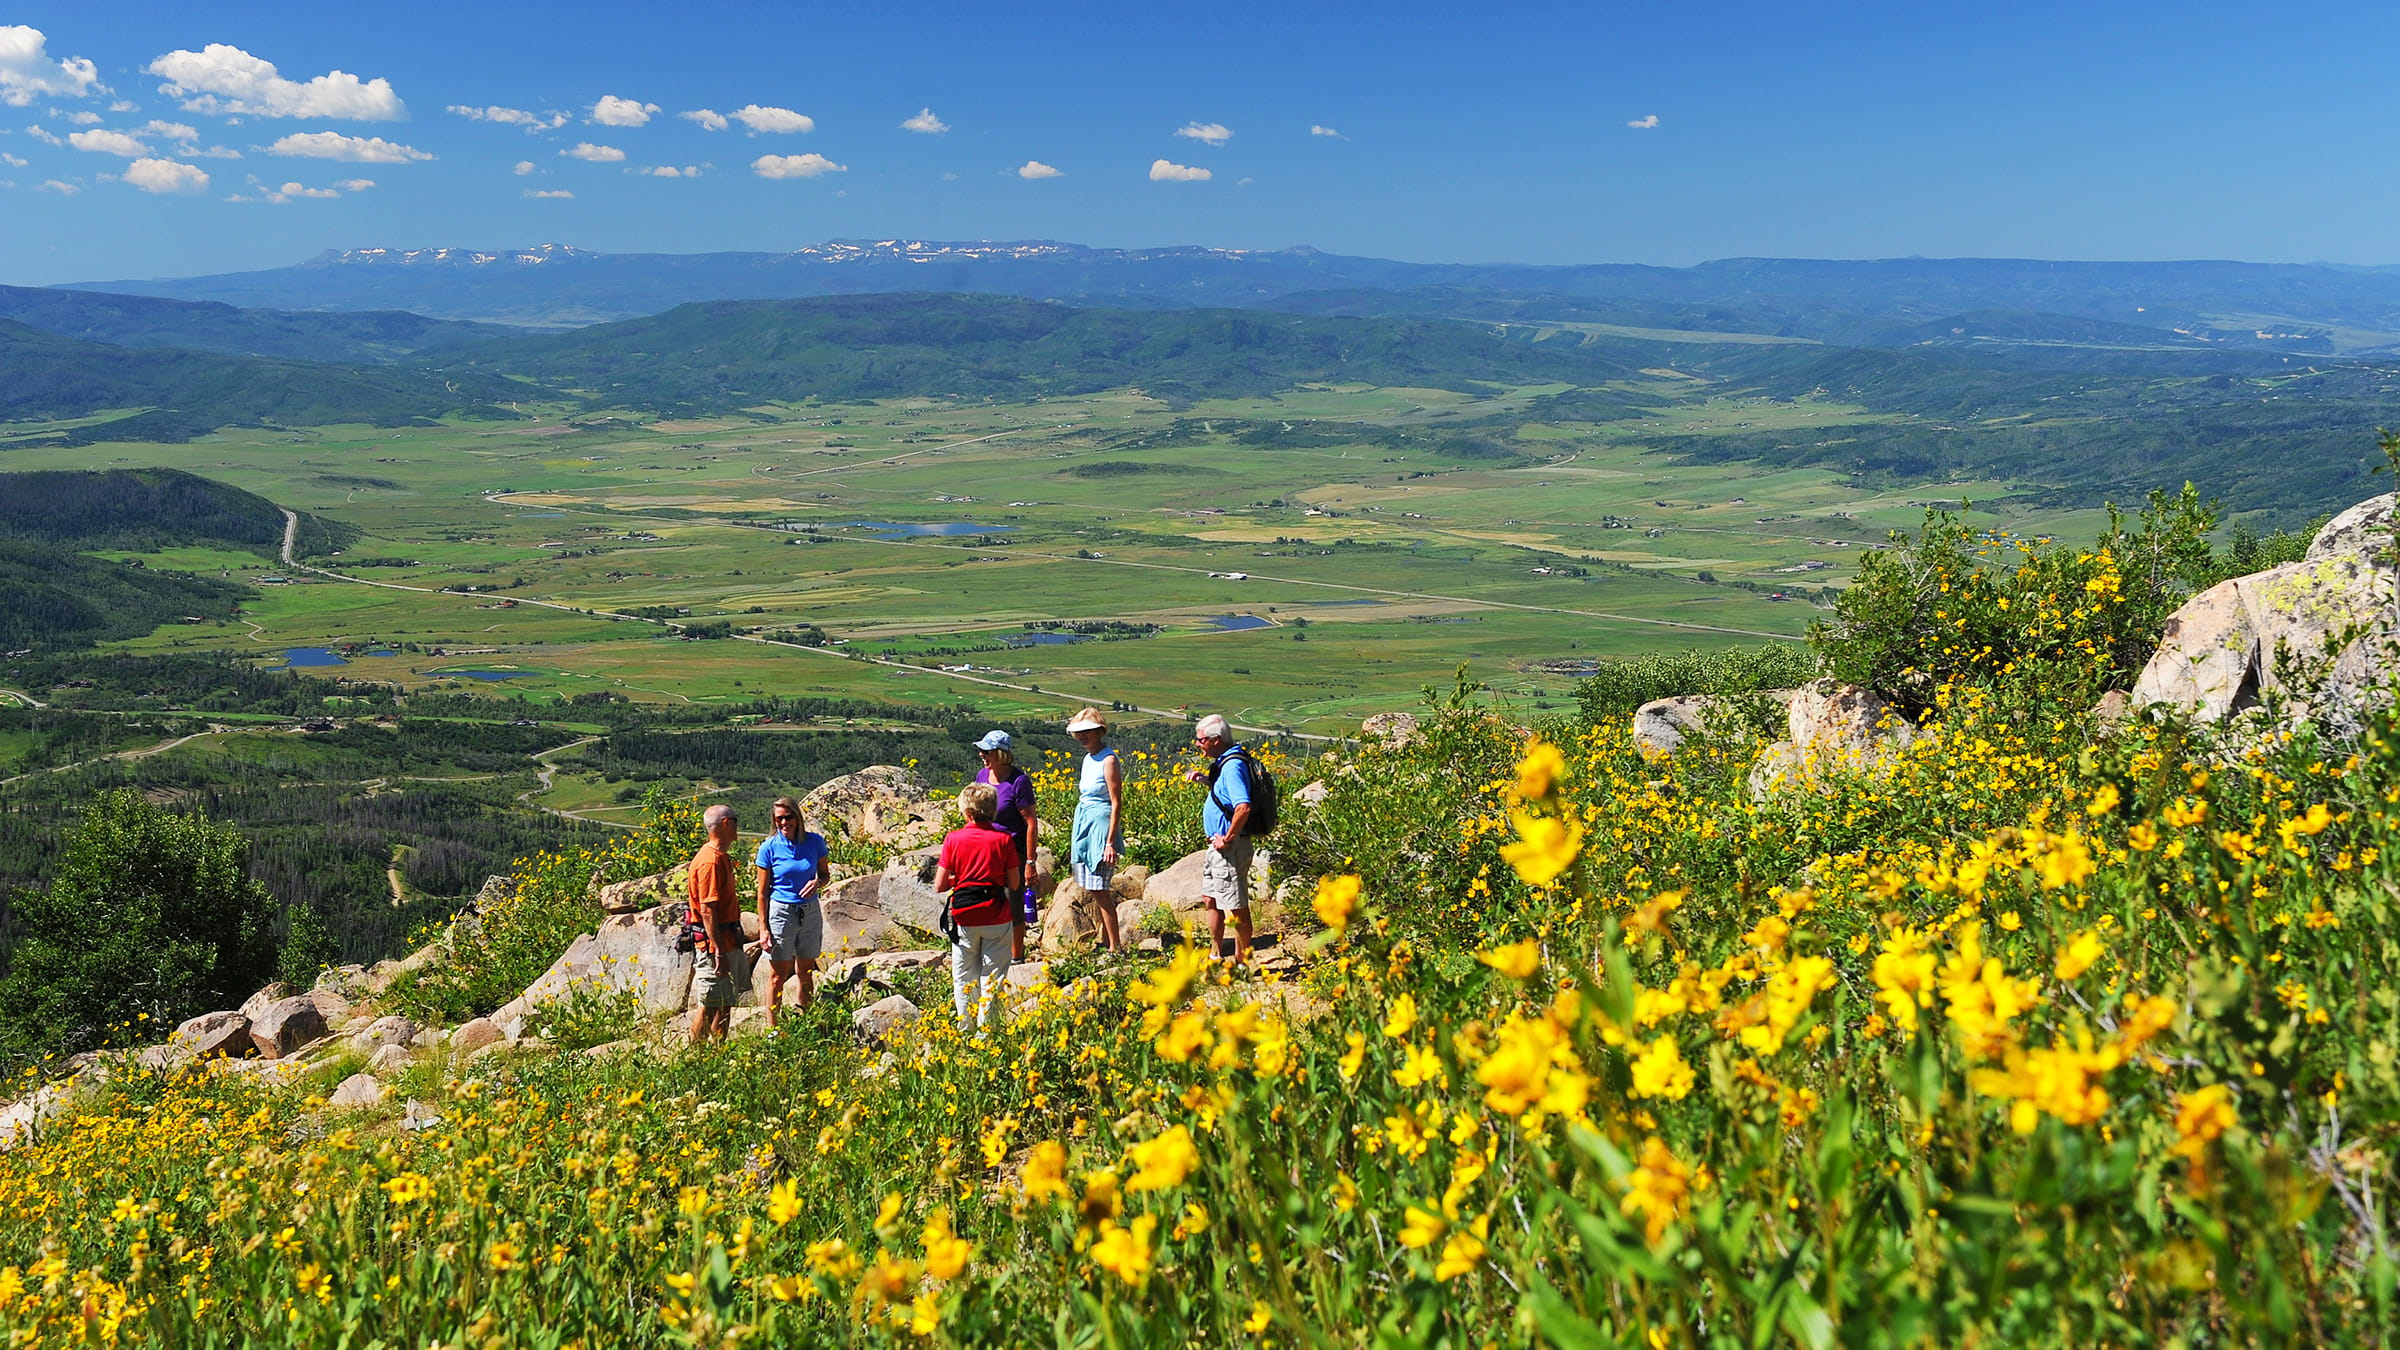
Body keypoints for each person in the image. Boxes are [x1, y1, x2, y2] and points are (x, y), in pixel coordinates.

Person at [934, 781, 1022, 1028]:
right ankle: (987, 1033)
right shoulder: (1003, 840)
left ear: (967, 812)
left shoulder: (954, 839)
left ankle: (966, 1031)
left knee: (964, 977)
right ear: (993, 810)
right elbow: (1014, 883)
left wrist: (962, 877)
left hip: (964, 916)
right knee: (991, 978)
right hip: (996, 914)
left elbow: (940, 885)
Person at [751, 795, 827, 1031]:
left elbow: (824, 875)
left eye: (788, 817)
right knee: (777, 975)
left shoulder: (815, 842)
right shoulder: (769, 848)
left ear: (797, 817)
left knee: (805, 971)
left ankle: (806, 1020)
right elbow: (762, 892)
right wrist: (763, 928)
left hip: (810, 910)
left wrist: (817, 883)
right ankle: (774, 1028)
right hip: (781, 912)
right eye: (779, 819)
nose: (784, 823)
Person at [1184, 714, 1255, 964]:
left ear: (1216, 740)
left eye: (1201, 740)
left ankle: (1242, 964)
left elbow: (1243, 807)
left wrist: (1227, 838)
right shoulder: (1223, 763)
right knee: (1210, 899)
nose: (1197, 744)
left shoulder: (1233, 766)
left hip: (1230, 848)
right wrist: (1207, 781)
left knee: (1236, 907)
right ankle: (1215, 953)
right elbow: (1226, 797)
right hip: (1217, 848)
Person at [970, 730, 1041, 960]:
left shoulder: (1018, 782)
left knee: (1013, 902)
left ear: (1000, 754)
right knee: (987, 901)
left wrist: (1030, 861)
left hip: (1012, 851)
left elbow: (1030, 821)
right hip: (987, 850)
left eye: (987, 751)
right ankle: (992, 952)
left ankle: (1016, 955)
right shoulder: (982, 776)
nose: (982, 755)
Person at [686, 803, 747, 1043]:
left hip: (725, 942)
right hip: (716, 946)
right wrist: (719, 951)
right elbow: (708, 910)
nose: (737, 826)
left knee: (724, 1002)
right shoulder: (710, 862)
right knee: (710, 1003)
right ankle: (696, 1056)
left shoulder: (718, 857)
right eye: (735, 820)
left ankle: (718, 1053)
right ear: (725, 824)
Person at [1065, 707, 1126, 952]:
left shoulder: (1109, 759)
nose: (1082, 737)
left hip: (1100, 826)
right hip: (1085, 822)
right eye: (1079, 733)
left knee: (1101, 888)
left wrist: (1109, 842)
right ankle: (1106, 940)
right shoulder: (1089, 758)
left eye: (1086, 732)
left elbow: (1116, 802)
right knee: (1091, 886)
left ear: (1098, 731)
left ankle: (1116, 946)